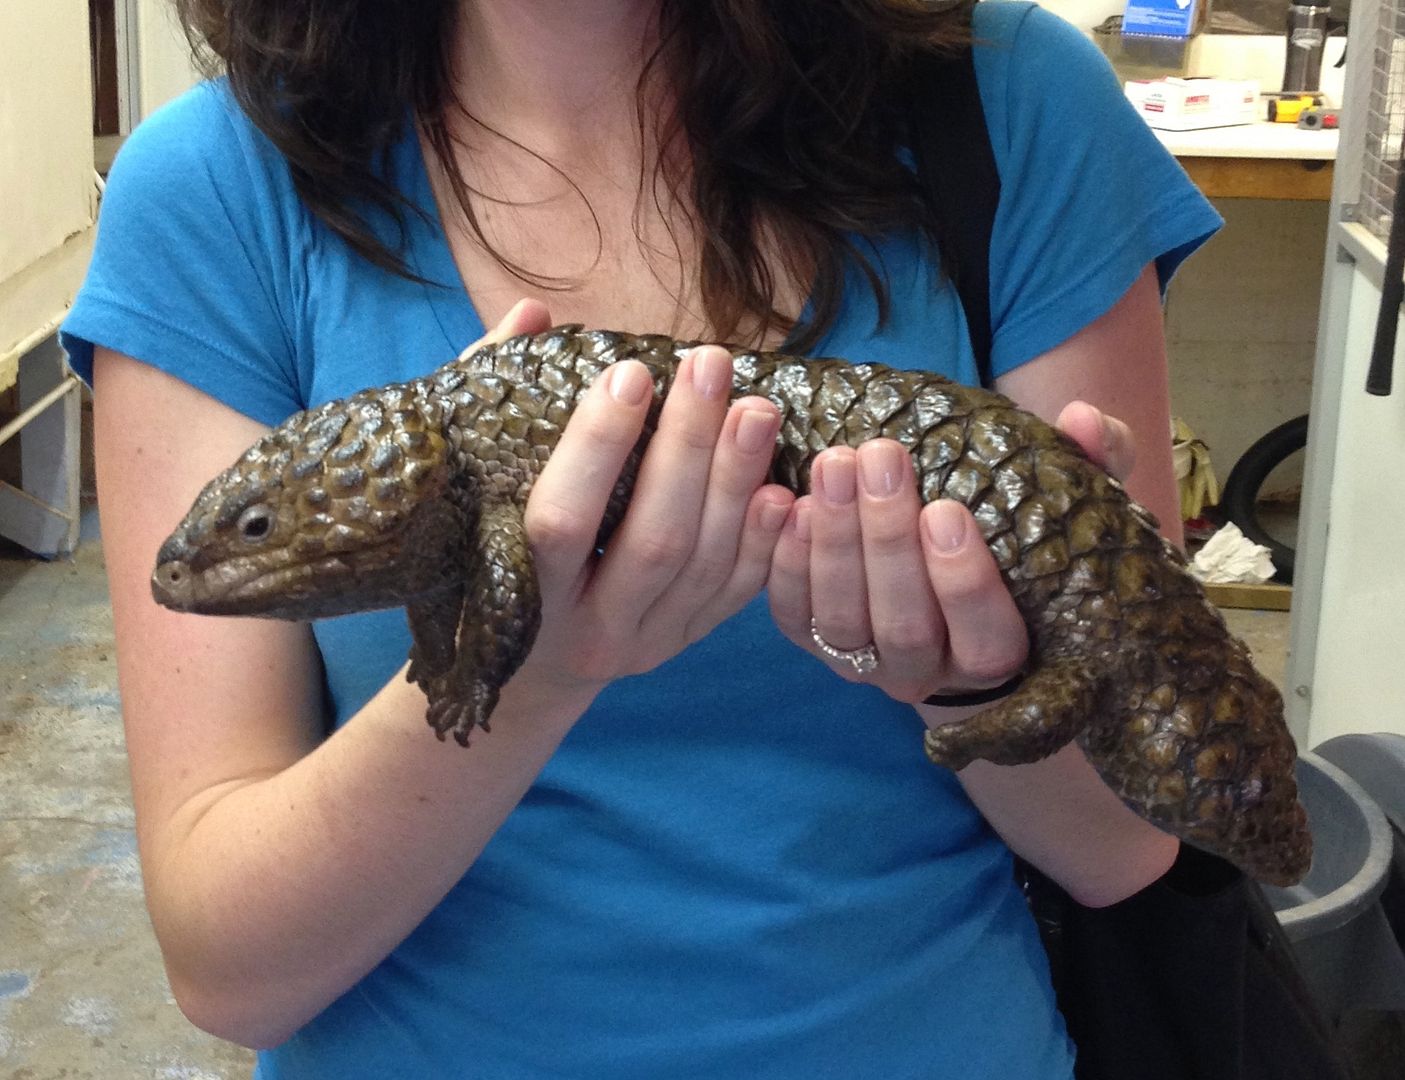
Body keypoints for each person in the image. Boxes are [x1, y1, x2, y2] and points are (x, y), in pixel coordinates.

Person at [62, 0, 1223, 1075]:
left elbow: (1130, 844)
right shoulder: (215, 189)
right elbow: (227, 967)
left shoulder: (1009, 101)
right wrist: (533, 667)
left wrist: (964, 683)